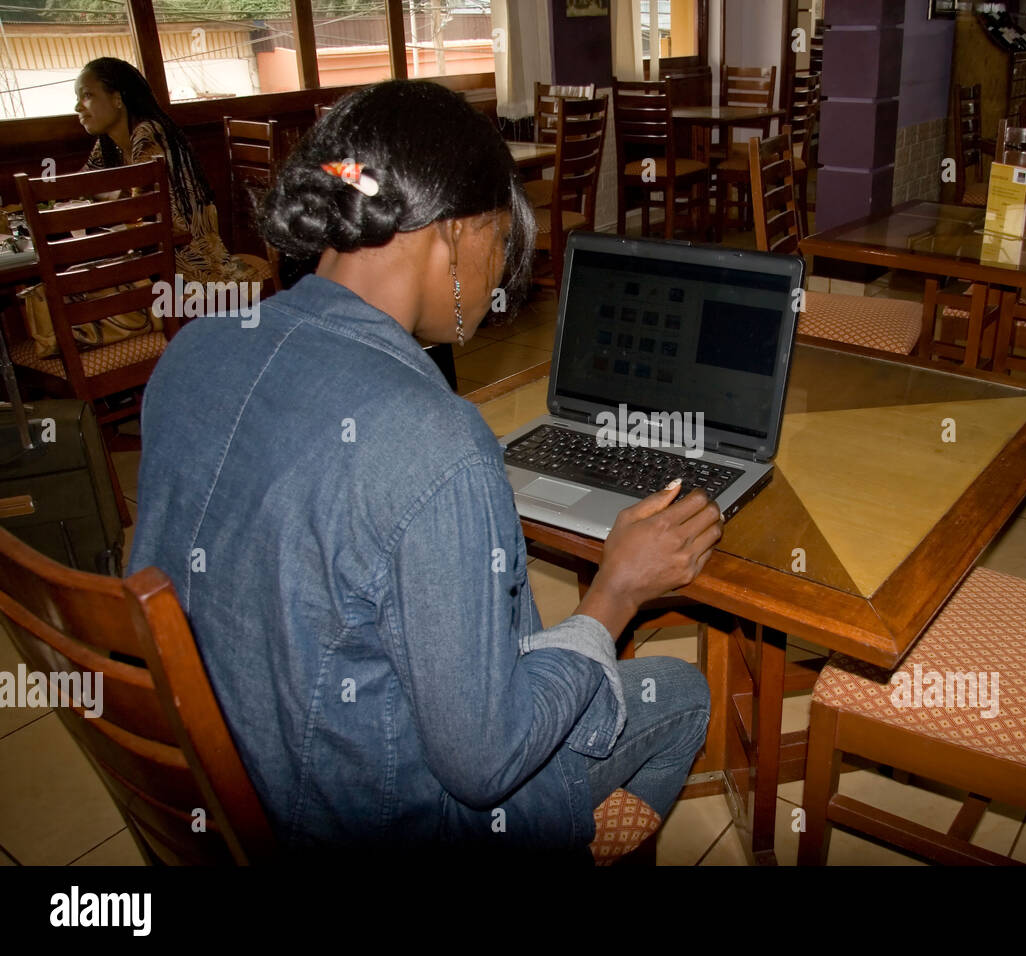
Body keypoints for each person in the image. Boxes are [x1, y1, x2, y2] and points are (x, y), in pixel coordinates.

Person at [127, 79, 719, 860]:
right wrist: (615, 592)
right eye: (500, 242)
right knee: (678, 692)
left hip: (235, 789)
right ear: (455, 230)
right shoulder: (437, 440)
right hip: (384, 824)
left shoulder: (195, 350)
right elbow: (484, 764)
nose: (497, 283)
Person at [20, 57, 272, 357]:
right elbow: (82, 190)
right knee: (74, 285)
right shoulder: (110, 144)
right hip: (151, 261)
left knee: (74, 292)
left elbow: (135, 207)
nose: (78, 107)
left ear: (117, 99)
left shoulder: (149, 133)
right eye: (77, 98)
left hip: (190, 266)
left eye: (87, 95)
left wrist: (85, 204)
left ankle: (121, 369)